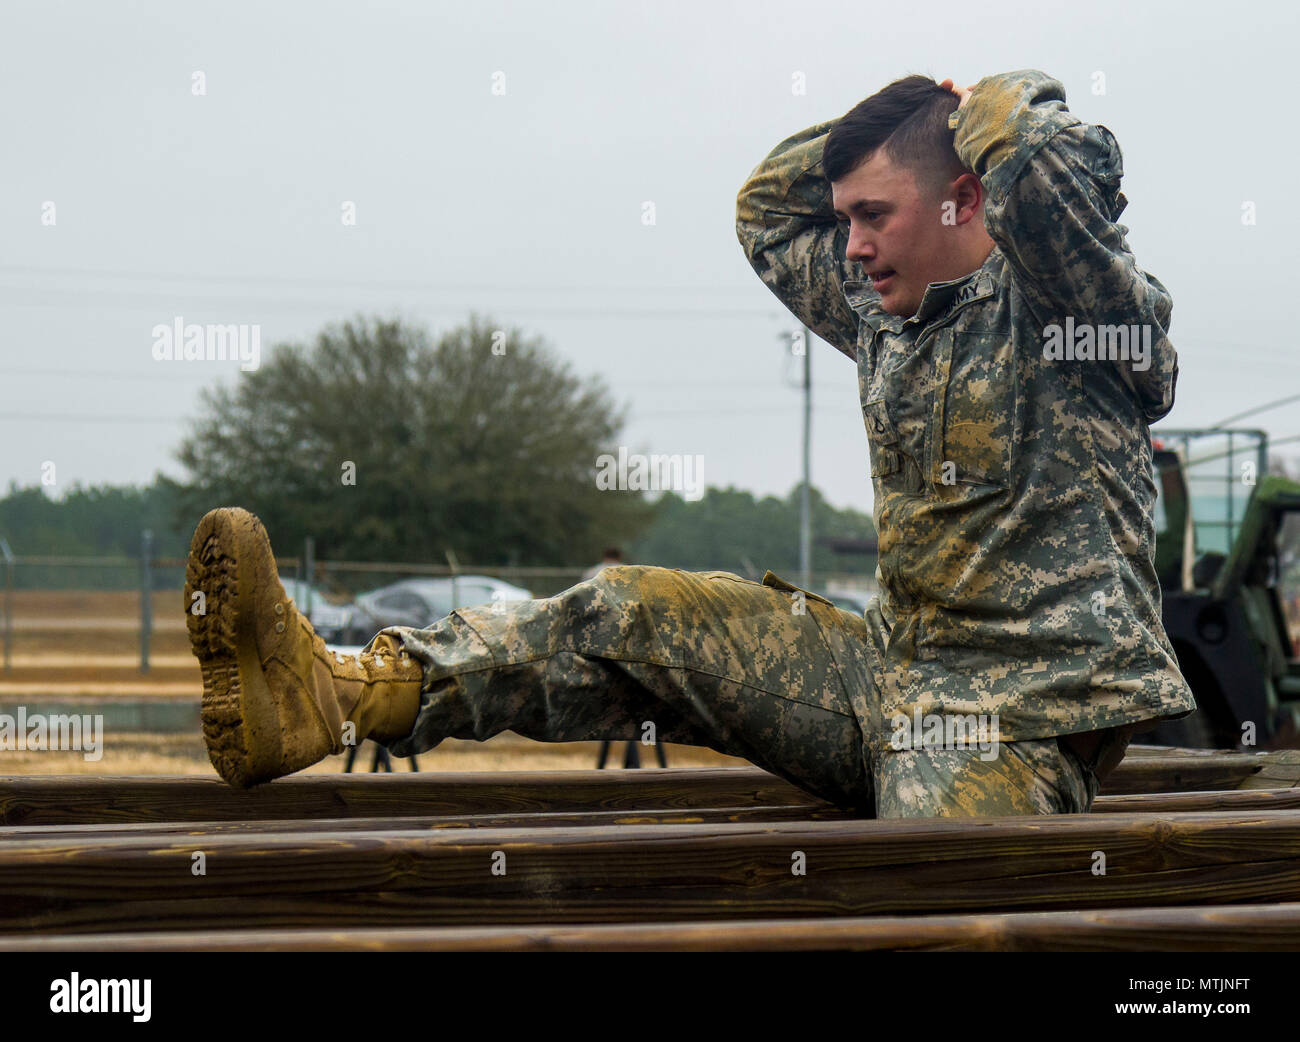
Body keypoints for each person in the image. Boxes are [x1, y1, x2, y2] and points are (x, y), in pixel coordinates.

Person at [183, 70, 1196, 817]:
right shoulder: (880, 313)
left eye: (872, 215)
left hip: (1017, 713)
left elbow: (1053, 180)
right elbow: (765, 207)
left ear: (965, 198)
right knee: (629, 613)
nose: (848, 244)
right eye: (844, 218)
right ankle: (339, 694)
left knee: (925, 883)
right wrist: (913, 110)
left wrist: (999, 107)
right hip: (889, 671)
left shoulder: (1073, 308)